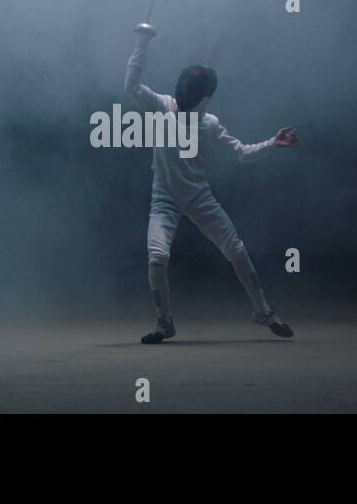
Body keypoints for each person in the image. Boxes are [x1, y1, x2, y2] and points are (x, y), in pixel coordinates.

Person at [124, 22, 298, 344]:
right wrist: (141, 43)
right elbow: (132, 86)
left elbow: (243, 153)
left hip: (199, 198)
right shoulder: (161, 108)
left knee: (237, 250)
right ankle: (165, 324)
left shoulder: (208, 124)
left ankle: (263, 312)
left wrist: (273, 143)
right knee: (157, 258)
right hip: (164, 199)